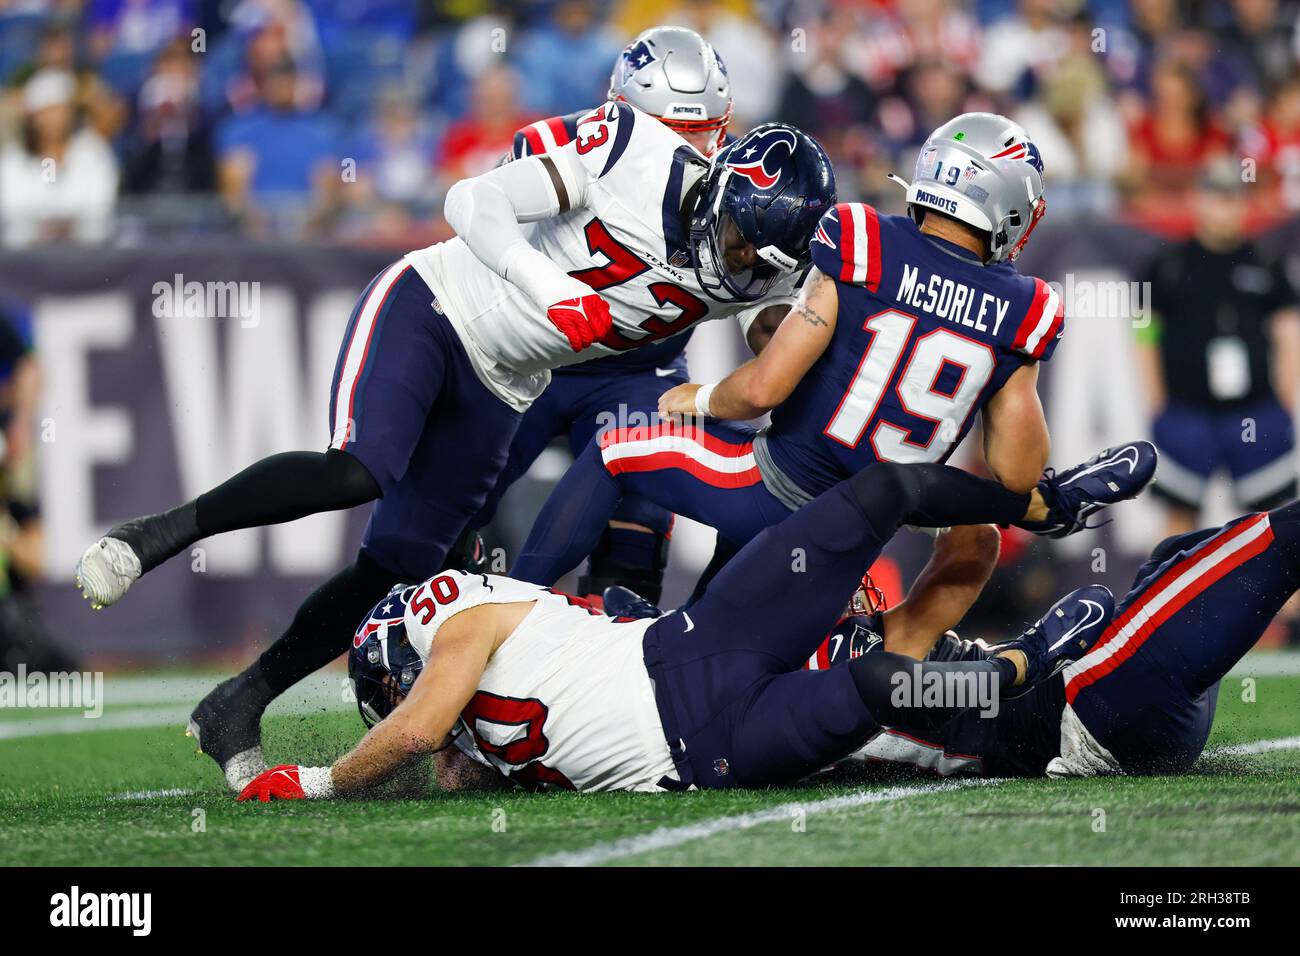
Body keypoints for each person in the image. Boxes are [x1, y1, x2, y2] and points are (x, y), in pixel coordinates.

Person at [76, 111, 836, 792]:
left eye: (757, 255)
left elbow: (807, 310)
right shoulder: (637, 153)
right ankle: (157, 535)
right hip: (436, 305)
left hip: (505, 382)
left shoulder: (767, 260)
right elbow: (471, 200)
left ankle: (235, 703)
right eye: (737, 237)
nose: (739, 260)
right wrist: (551, 286)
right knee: (356, 468)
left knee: (401, 564)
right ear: (723, 184)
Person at [234, 443, 1155, 800]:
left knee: (880, 495)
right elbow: (435, 748)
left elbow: (419, 729)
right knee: (878, 684)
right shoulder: (472, 724)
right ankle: (1027, 665)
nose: (398, 699)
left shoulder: (456, 629)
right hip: (707, 752)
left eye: (390, 682)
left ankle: (1042, 502)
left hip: (693, 657)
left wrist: (315, 783)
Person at [510, 112, 1063, 596]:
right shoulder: (1028, 309)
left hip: (776, 490)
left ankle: (511, 604)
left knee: (615, 450)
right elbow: (1018, 474)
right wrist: (1019, 357)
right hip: (859, 536)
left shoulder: (865, 237)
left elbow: (761, 391)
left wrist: (696, 398)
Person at [474, 25, 748, 605]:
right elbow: (483, 237)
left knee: (637, 533)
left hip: (636, 372)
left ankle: (608, 663)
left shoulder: (729, 189)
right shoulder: (552, 147)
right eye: (670, 132)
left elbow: (757, 303)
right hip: (534, 358)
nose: (687, 151)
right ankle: (430, 639)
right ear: (621, 113)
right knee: (454, 505)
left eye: (700, 131)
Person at [823, 491, 1300, 778]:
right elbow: (923, 693)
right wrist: (1026, 657)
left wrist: (929, 497)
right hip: (1086, 717)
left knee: (1176, 552)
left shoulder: (837, 650)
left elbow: (974, 543)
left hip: (1103, 700)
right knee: (1281, 539)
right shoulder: (814, 680)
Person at [1137, 160, 1300, 539]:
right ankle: (1166, 597)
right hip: (1188, 412)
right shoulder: (1169, 263)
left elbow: (1287, 330)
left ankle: (1281, 601)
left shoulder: (1265, 261)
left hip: (1255, 412)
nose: (1224, 207)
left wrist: (1285, 397)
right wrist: (1156, 397)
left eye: (1232, 198)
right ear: (1199, 200)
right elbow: (1143, 327)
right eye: (1216, 197)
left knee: (1275, 525)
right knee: (1178, 522)